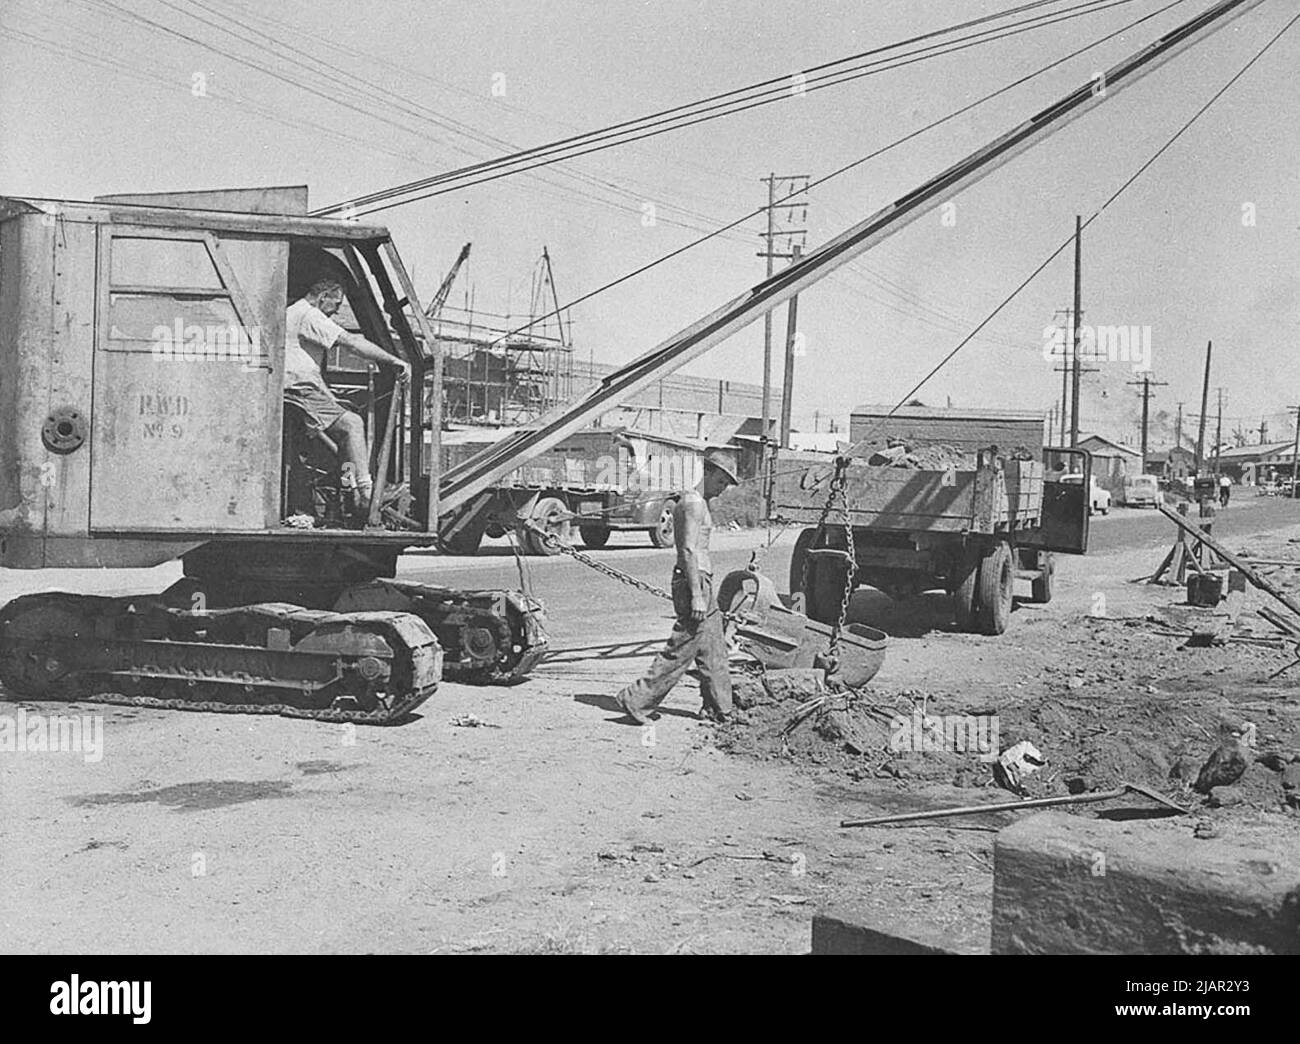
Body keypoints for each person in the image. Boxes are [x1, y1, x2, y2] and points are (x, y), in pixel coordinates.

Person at [616, 448, 743, 725]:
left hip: (702, 581)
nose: (722, 489)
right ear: (707, 472)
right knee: (682, 647)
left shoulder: (699, 501)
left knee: (714, 648)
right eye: (720, 481)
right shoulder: (693, 503)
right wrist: (697, 595)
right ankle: (636, 699)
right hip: (693, 581)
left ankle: (720, 708)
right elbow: (686, 550)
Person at [284, 279, 411, 507]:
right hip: (298, 389)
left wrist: (332, 398)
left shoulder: (292, 313)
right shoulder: (309, 315)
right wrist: (394, 360)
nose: (337, 311)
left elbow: (306, 366)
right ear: (323, 297)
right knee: (352, 425)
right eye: (337, 304)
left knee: (345, 433)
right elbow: (352, 342)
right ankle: (366, 493)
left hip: (299, 388)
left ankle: (346, 486)